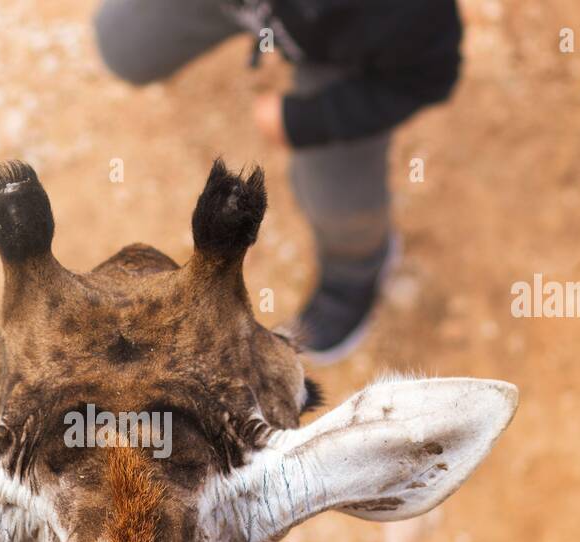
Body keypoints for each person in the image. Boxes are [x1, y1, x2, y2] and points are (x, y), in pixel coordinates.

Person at [93, 0, 463, 363]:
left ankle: (357, 267)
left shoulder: (409, 14)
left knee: (336, 201)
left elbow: (426, 78)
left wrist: (305, 119)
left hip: (340, 54)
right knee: (122, 45)